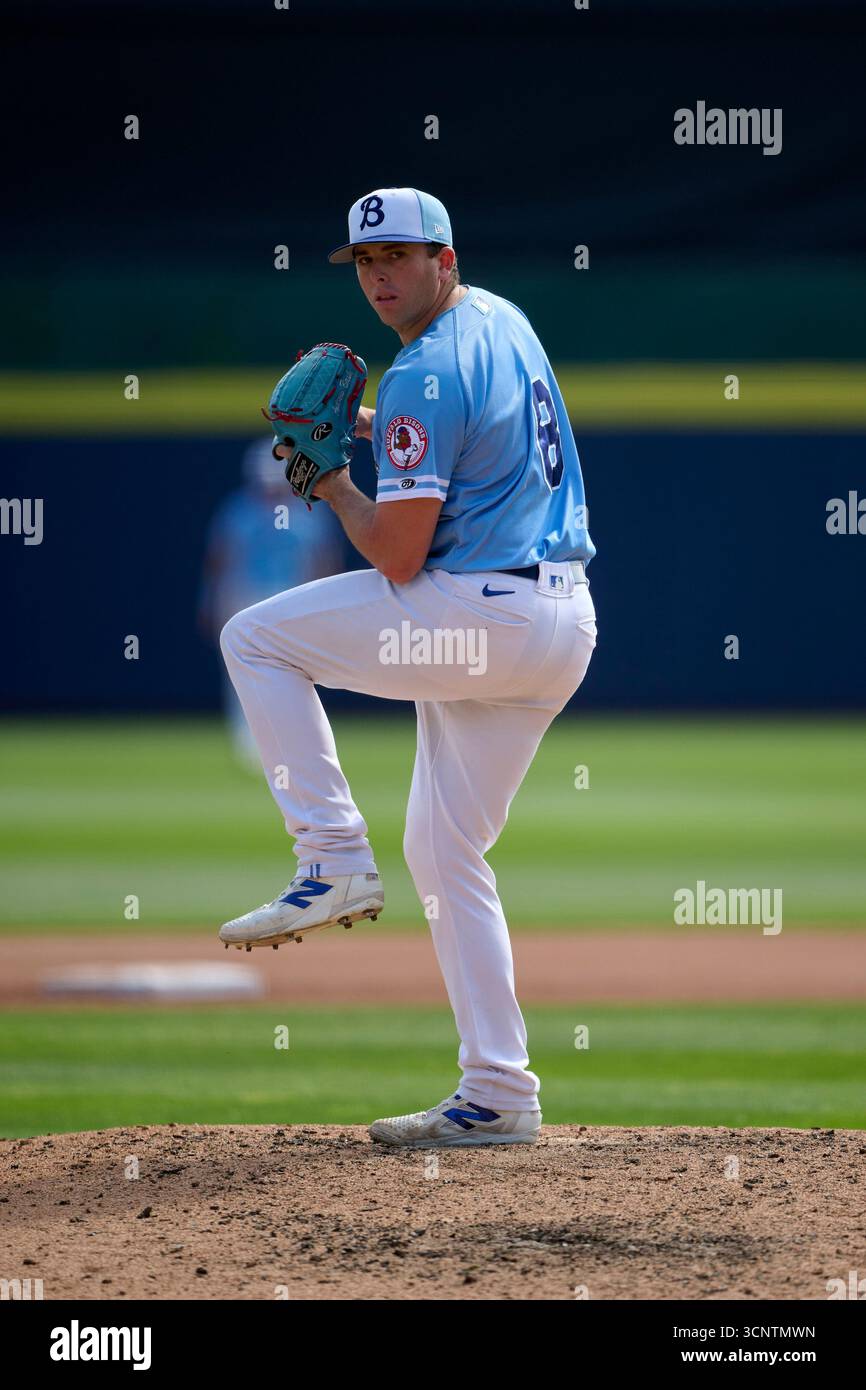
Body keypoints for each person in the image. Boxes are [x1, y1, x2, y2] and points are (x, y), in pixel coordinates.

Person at [218, 187, 597, 1148]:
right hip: (562, 624)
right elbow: (472, 432)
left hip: (478, 616)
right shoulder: (505, 320)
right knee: (443, 853)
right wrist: (375, 428)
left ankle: (332, 858)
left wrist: (334, 478)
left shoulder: (424, 374)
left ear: (445, 258)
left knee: (253, 639)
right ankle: (501, 1093)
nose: (381, 275)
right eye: (366, 262)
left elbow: (394, 556)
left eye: (401, 256)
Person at [198, 437, 345, 762]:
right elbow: (220, 559)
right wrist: (210, 600)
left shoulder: (309, 514)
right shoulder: (238, 511)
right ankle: (250, 745)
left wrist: (327, 604)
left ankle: (297, 740)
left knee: (300, 671)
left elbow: (323, 561)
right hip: (244, 597)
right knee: (242, 671)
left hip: (292, 597)